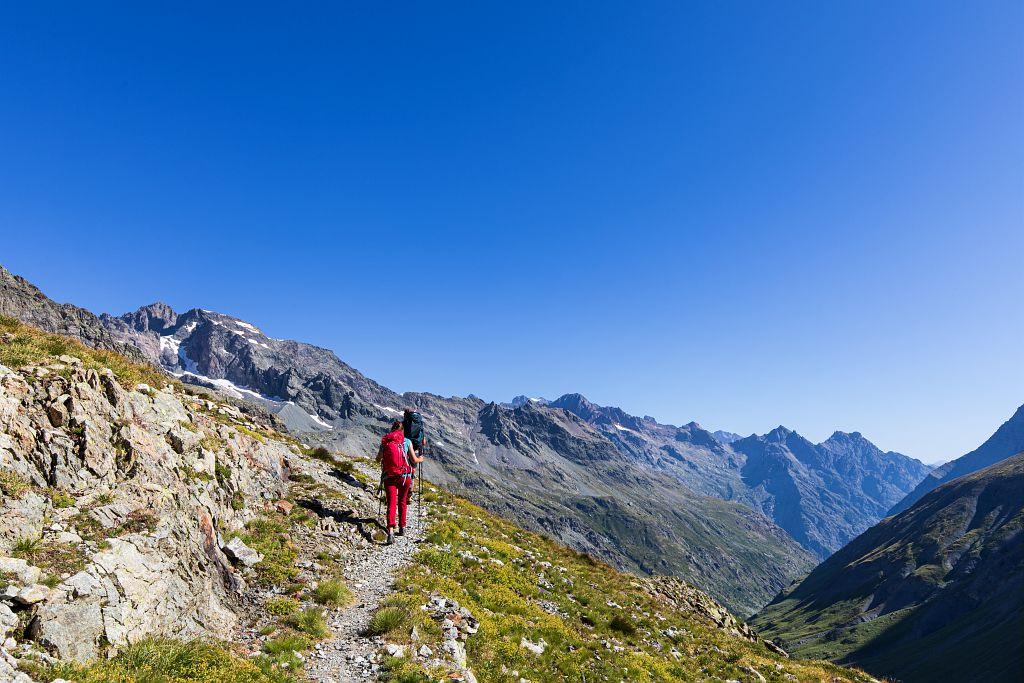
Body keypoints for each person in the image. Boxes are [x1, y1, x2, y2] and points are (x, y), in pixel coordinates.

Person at [375, 420, 413, 544]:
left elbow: (378, 459)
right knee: (402, 501)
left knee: (391, 503)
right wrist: (420, 458)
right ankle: (402, 527)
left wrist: (381, 459)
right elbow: (414, 460)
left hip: (389, 476)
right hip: (405, 477)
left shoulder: (386, 442)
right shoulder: (407, 441)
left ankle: (390, 532)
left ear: (392, 429)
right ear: (402, 431)